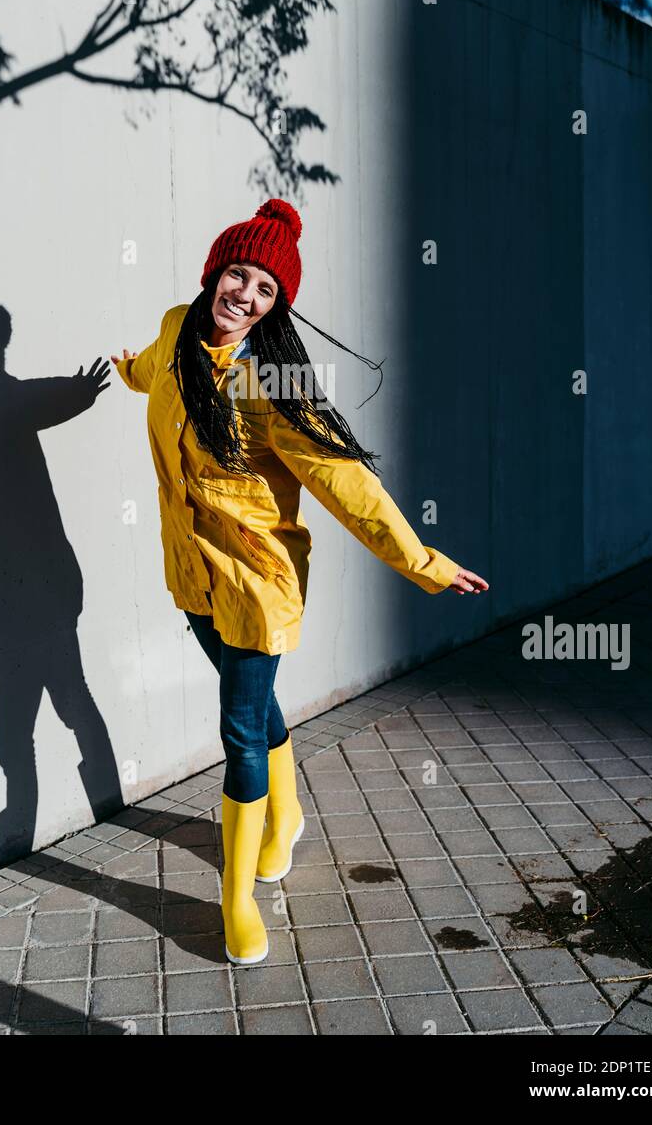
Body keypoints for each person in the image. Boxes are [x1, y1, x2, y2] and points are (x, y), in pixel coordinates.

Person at [112, 198, 488, 966]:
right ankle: (286, 815)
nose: (244, 296)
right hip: (192, 576)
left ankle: (238, 901)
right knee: (253, 703)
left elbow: (347, 484)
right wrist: (115, 373)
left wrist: (424, 562)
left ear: (277, 304)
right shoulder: (177, 327)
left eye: (264, 290)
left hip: (257, 584)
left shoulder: (272, 381)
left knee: (239, 729)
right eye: (238, 275)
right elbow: (147, 371)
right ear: (217, 271)